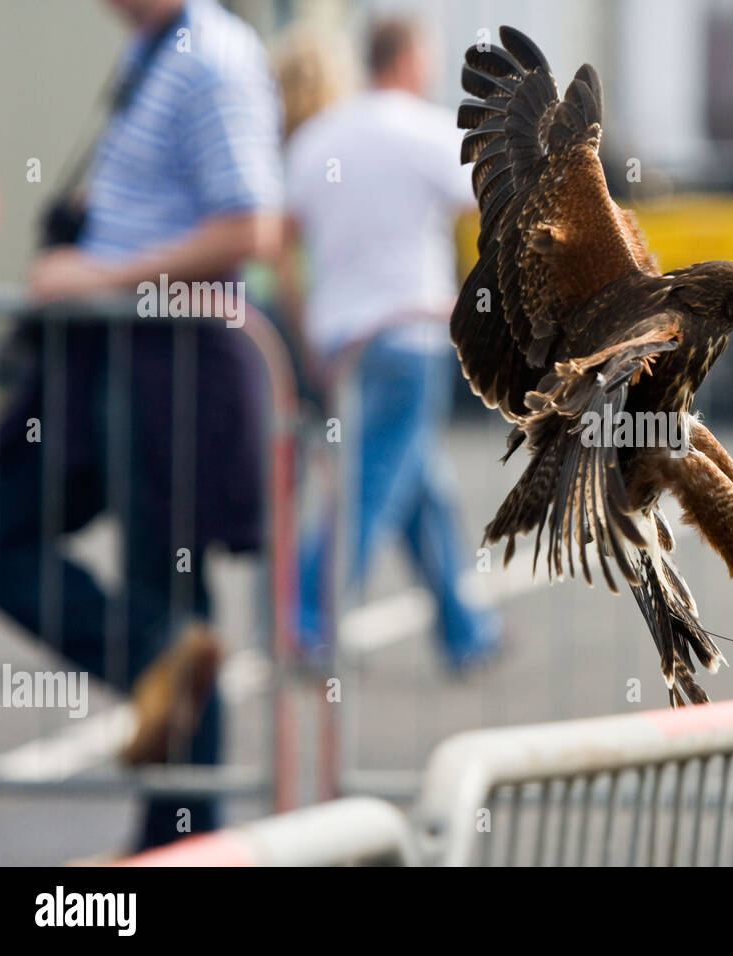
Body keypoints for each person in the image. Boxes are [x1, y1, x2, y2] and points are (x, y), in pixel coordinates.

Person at [0, 0, 282, 850]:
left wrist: (97, 274)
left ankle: (177, 836)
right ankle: (161, 705)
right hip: (115, 356)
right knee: (151, 606)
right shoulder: (162, 49)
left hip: (167, 359)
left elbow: (249, 225)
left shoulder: (209, 57)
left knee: (168, 598)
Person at [281, 16, 501, 670]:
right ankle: (305, 618)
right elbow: (489, 204)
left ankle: (464, 629)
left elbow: (284, 244)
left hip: (341, 335)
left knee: (417, 478)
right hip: (410, 331)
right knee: (374, 481)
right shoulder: (423, 130)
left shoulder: (318, 138)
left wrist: (305, 329)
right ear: (407, 59)